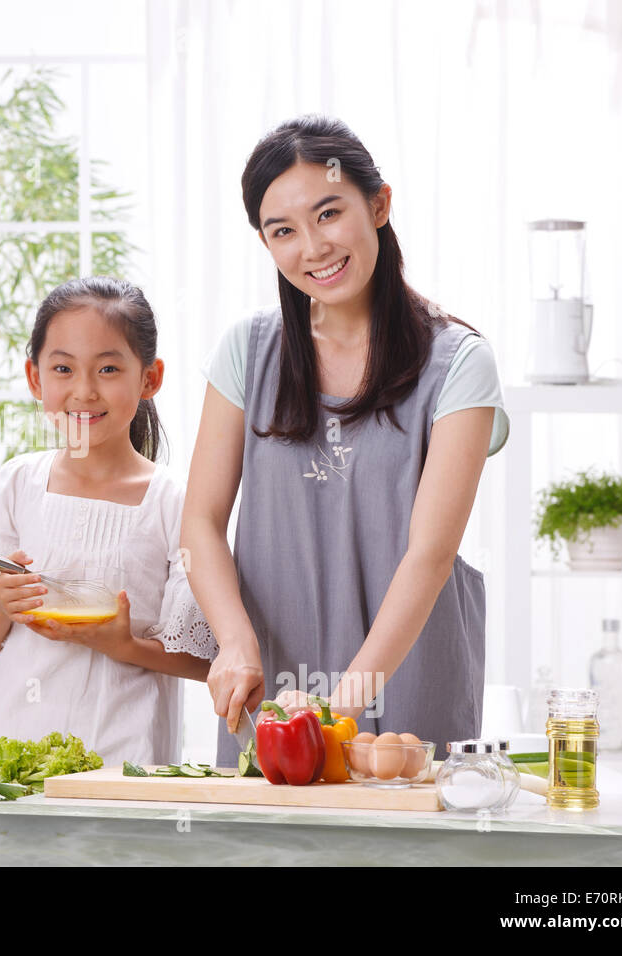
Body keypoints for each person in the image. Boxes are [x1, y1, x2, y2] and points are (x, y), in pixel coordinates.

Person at [182, 115, 509, 766]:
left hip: (406, 707)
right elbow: (200, 522)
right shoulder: (247, 353)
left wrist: (338, 710)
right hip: (273, 707)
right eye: (283, 231)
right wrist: (235, 641)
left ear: (379, 204)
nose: (313, 247)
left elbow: (430, 554)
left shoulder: (459, 362)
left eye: (329, 213)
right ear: (266, 244)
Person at [0, 277, 215, 766]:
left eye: (109, 368)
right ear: (35, 379)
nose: (84, 391)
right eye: (63, 369)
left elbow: (203, 659)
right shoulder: (18, 484)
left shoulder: (176, 503)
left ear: (149, 379)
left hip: (124, 753)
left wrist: (124, 644)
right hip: (11, 751)